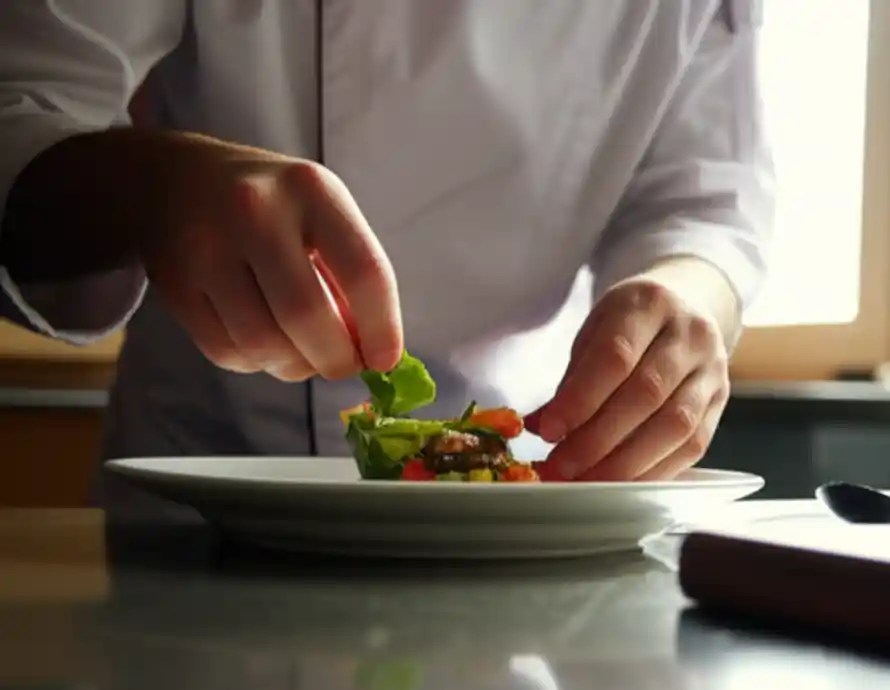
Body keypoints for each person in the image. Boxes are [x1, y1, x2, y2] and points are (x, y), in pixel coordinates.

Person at [0, 1, 772, 517]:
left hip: (530, 507)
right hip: (200, 511)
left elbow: (703, 197)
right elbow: (22, 107)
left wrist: (688, 298)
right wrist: (152, 185)